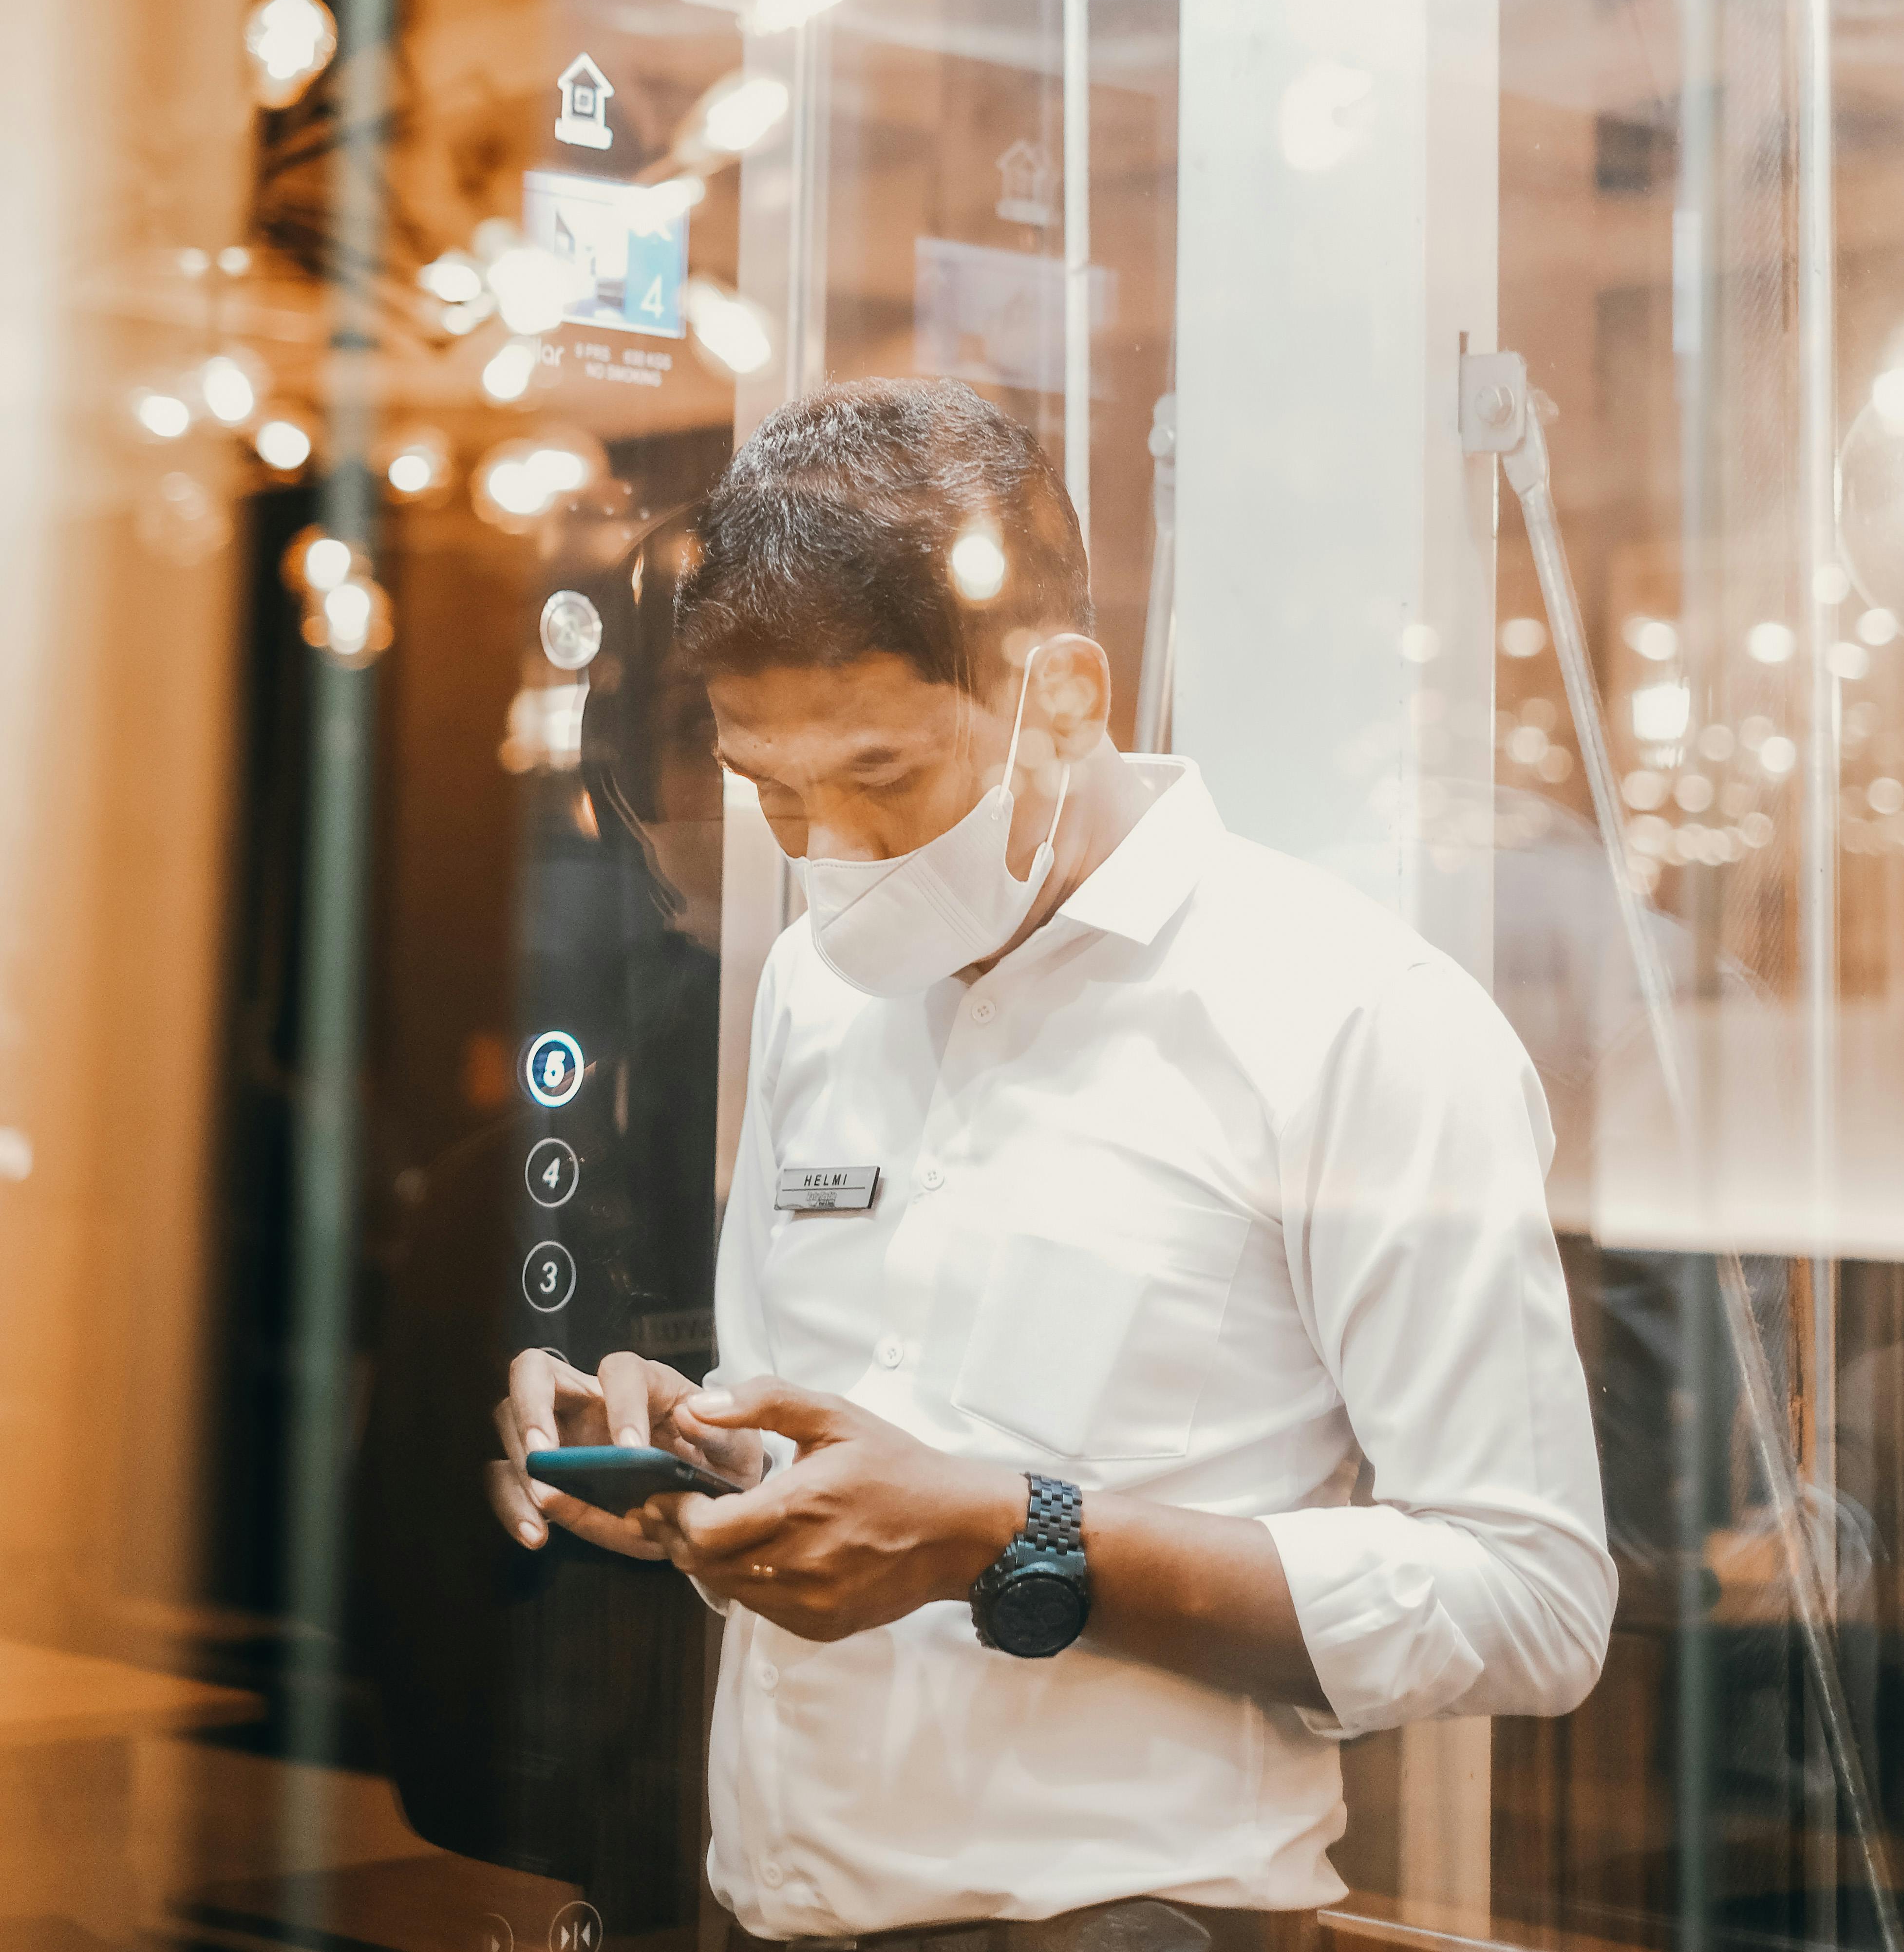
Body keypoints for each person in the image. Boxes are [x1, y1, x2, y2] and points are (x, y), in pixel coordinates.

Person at [490, 377, 1614, 1950]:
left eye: (883, 782)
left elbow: (1530, 1605)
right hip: (761, 1902)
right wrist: (700, 1468)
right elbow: (852, 1477)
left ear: (1065, 698)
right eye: (775, 794)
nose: (834, 856)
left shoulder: (1354, 1018)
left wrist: (999, 1531)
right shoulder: (816, 985)